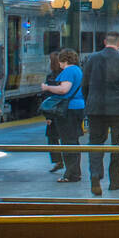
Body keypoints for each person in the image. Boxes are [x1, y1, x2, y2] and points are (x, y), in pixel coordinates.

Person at [82, 32, 119, 196]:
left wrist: (90, 102)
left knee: (95, 143)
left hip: (96, 109)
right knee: (118, 145)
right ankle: (115, 181)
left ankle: (95, 177)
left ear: (104, 42)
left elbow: (84, 85)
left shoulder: (92, 59)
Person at [41, 49, 85, 183]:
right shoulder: (78, 70)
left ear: (64, 61)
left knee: (67, 141)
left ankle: (71, 174)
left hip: (68, 109)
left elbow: (64, 89)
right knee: (73, 141)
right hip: (78, 107)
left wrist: (47, 87)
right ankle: (75, 172)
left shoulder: (68, 71)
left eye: (60, 61)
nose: (59, 63)